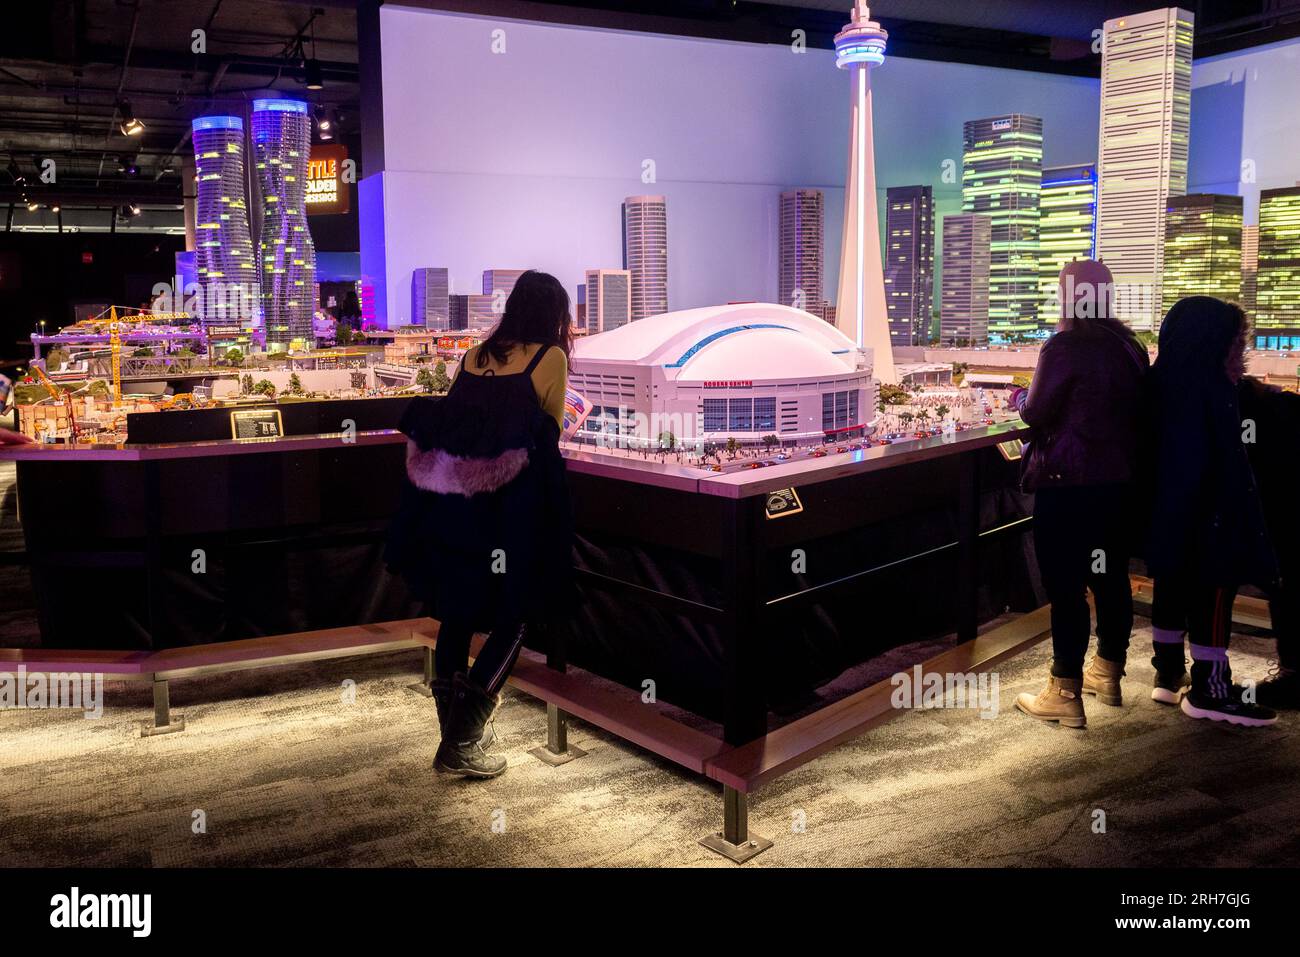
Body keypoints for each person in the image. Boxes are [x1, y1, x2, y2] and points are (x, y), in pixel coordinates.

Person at [386, 270, 574, 777]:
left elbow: (459, 426)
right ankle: (465, 738)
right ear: (554, 313)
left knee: (459, 614)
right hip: (512, 510)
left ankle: (456, 739)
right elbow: (550, 434)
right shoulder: (549, 358)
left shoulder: (475, 356)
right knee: (515, 618)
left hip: (458, 507)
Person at [1012, 259, 1149, 729]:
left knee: (1066, 587)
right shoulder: (1129, 347)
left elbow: (1035, 413)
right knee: (1110, 576)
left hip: (1066, 485)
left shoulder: (1064, 346)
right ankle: (1107, 671)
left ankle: (1064, 690)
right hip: (1118, 486)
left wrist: (1018, 401)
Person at [1147, 296, 1277, 726]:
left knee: (1170, 585)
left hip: (1168, 513)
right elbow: (1225, 461)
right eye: (1237, 343)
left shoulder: (1160, 382)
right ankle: (1211, 690)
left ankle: (1167, 674)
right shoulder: (1216, 390)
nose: (1242, 353)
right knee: (1214, 596)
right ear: (1214, 343)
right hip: (1212, 517)